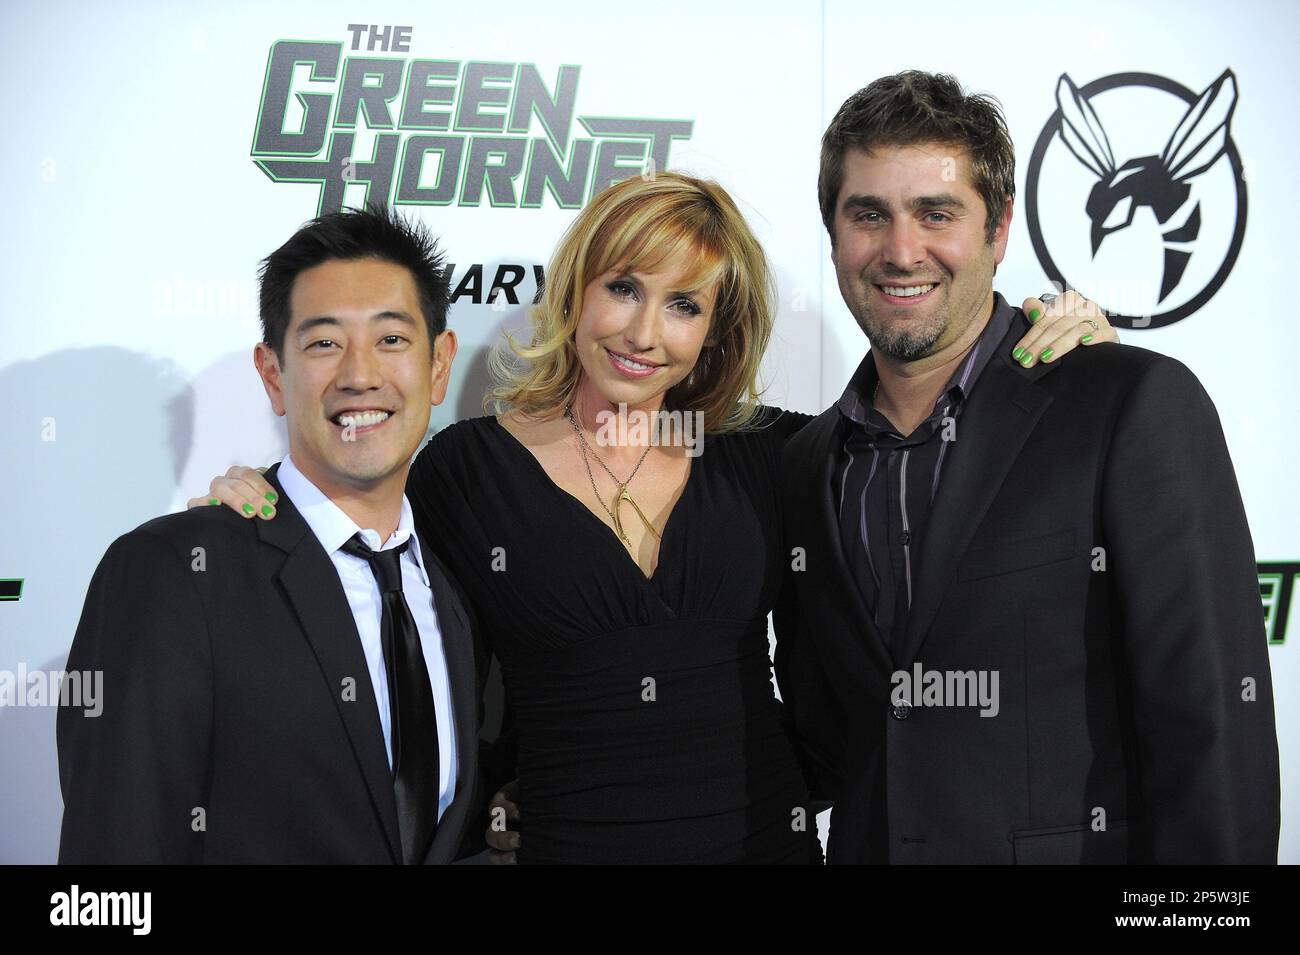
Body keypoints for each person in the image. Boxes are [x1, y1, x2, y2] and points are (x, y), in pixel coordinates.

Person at [199, 173, 1115, 863]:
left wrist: (1052, 337)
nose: (645, 333)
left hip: (765, 840)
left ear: (714, 330)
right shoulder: (465, 468)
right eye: (624, 288)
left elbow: (934, 417)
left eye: (684, 305)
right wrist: (257, 503)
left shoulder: (771, 454)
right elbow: (358, 558)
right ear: (578, 290)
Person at [775, 70, 1280, 864]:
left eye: (936, 214)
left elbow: (1207, 719)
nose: (902, 251)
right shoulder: (805, 464)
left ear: (999, 227)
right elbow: (820, 742)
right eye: (869, 214)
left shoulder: (1126, 403)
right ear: (833, 229)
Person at [58, 206, 484, 864]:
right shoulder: (172, 572)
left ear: (438, 365)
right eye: (323, 343)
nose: (360, 374)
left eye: (392, 339)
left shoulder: (459, 592)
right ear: (272, 373)